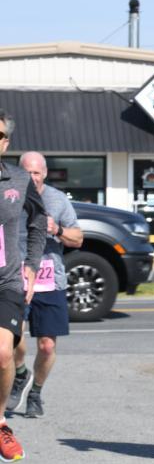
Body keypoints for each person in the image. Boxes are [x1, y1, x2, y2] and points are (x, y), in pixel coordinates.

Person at [7, 152, 83, 419]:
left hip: (50, 280)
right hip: (15, 277)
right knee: (12, 338)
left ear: (45, 173)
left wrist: (58, 230)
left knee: (47, 346)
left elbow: (78, 238)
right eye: (26, 172)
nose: (31, 178)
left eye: (36, 173)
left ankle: (36, 392)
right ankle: (19, 374)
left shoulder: (58, 200)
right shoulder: (9, 193)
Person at [0, 111, 47, 462]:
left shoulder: (17, 178)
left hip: (7, 280)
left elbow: (38, 224)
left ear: (5, 142)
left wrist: (31, 265)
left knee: (2, 352)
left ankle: (0, 422)